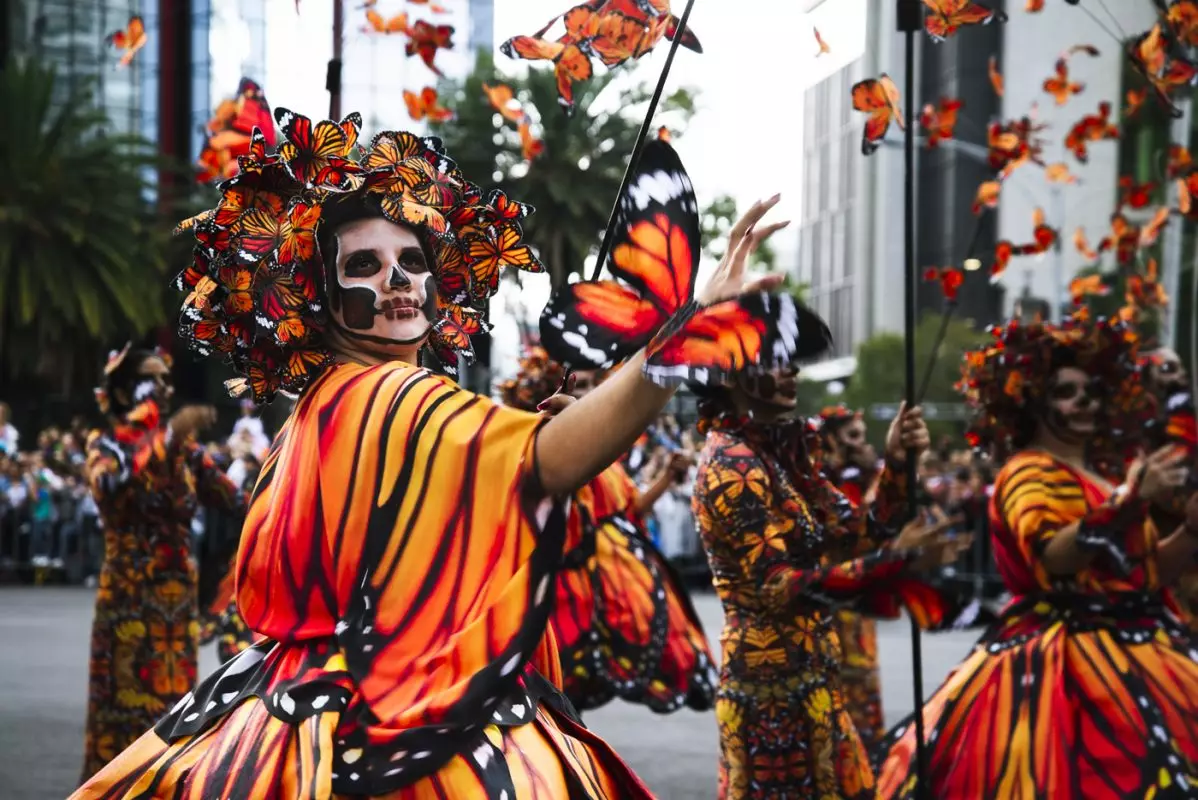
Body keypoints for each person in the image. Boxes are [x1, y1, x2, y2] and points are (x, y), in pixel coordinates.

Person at [73, 110, 796, 799]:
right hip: (389, 730)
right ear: (318, 299)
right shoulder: (386, 394)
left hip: (281, 718)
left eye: (412, 260)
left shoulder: (324, 407)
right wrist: (691, 335)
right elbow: (550, 459)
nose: (397, 279)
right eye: (363, 264)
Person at [877, 315, 1198, 798]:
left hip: (1144, 649)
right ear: (1029, 401)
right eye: (1067, 392)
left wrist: (1192, 529)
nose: (1085, 400)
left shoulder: (1101, 474)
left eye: (1091, 389)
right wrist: (1131, 500)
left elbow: (1145, 574)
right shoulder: (1027, 472)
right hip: (1065, 666)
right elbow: (1054, 559)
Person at [691, 365, 970, 800]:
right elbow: (777, 586)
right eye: (772, 358)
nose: (791, 369)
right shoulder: (732, 462)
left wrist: (897, 462)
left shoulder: (780, 453)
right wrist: (894, 562)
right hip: (770, 696)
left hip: (814, 679)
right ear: (728, 377)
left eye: (790, 358)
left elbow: (854, 533)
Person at [499, 351, 718, 714]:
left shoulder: (601, 454)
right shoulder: (539, 448)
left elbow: (630, 510)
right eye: (577, 386)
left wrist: (667, 478)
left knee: (572, 702)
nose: (585, 394)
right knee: (553, 694)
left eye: (590, 386)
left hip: (604, 597)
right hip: (557, 595)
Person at [79, 343, 246, 783]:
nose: (164, 388)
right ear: (120, 391)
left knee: (174, 714)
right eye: (153, 378)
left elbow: (238, 500)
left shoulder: (187, 452)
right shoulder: (107, 444)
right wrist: (168, 436)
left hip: (176, 610)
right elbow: (110, 484)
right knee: (124, 710)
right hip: (127, 603)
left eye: (167, 379)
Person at [815, 405, 886, 754]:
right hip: (824, 589)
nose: (862, 443)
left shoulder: (871, 476)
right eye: (853, 435)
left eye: (863, 435)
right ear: (831, 438)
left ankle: (866, 759)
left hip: (858, 594)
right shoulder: (817, 477)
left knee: (860, 682)